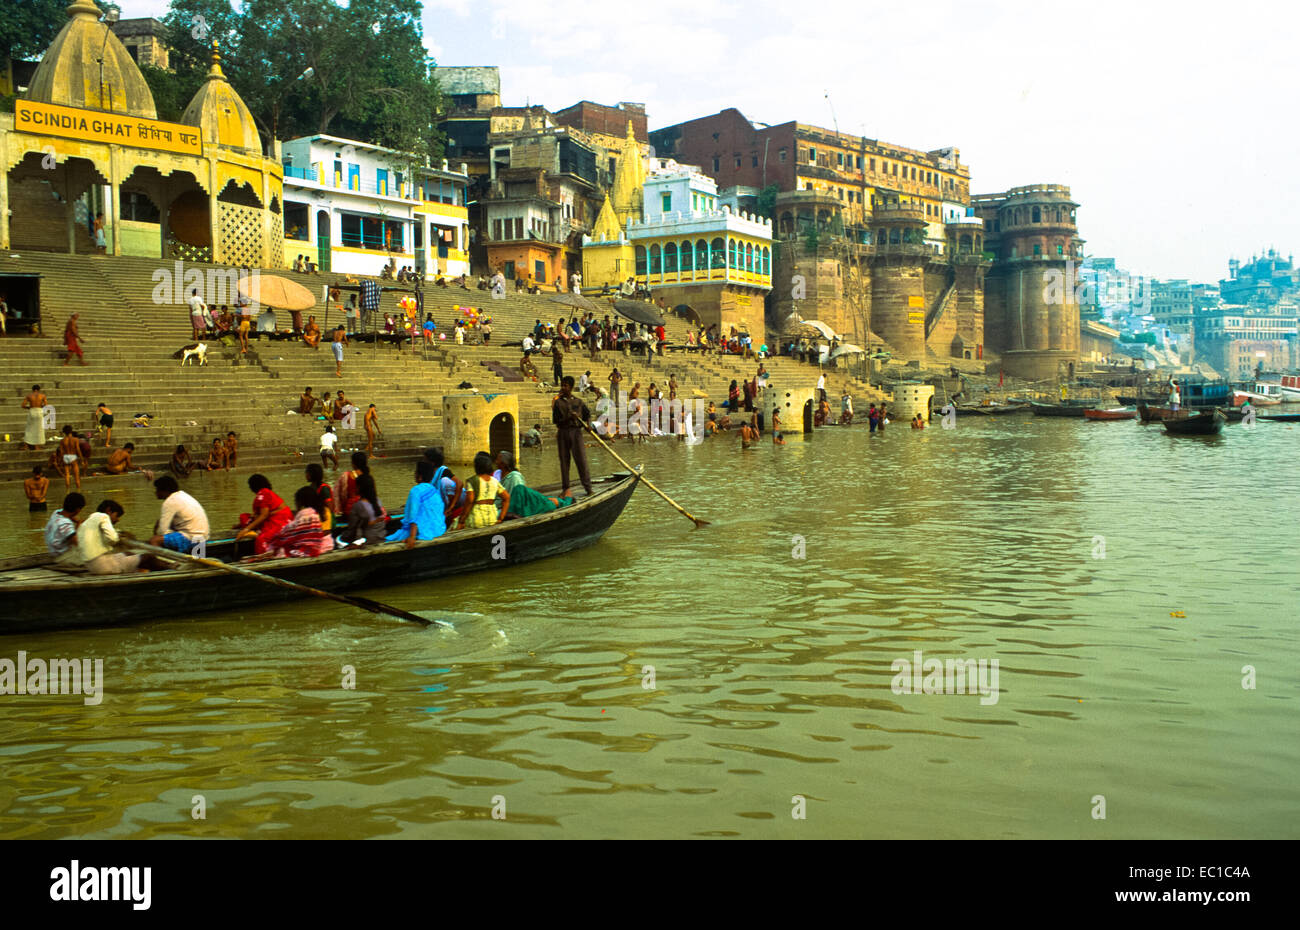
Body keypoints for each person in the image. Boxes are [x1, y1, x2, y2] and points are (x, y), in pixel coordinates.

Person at [255, 486, 335, 559]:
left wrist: (277, 538)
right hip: (327, 544)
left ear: (300, 502)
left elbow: (287, 535)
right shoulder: (316, 512)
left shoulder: (305, 516)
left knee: (280, 547)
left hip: (315, 548)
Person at [387, 460, 447, 547]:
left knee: (390, 539)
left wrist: (412, 536)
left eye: (416, 472)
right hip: (438, 530)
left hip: (423, 533)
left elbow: (413, 516)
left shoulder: (416, 491)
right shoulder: (434, 490)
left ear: (420, 477)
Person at [553, 375, 593, 498]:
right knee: (564, 461)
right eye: (562, 385)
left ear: (570, 387)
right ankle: (566, 489)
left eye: (565, 385)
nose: (563, 388)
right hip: (563, 432)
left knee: (581, 460)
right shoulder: (558, 403)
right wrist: (569, 417)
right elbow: (556, 421)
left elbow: (587, 415)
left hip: (576, 433)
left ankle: (588, 488)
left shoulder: (578, 402)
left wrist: (589, 425)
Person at [78, 500, 145, 574]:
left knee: (129, 553)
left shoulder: (87, 521)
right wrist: (118, 536)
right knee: (148, 557)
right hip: (104, 566)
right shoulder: (103, 516)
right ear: (108, 511)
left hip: (92, 567)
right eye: (117, 516)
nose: (118, 520)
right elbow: (113, 538)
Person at [148, 475, 210, 553]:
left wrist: (162, 532)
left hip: (192, 538)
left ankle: (163, 563)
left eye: (157, 490)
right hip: (203, 536)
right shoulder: (182, 495)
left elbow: (161, 531)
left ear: (164, 491)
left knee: (154, 541)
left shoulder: (170, 501)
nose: (155, 492)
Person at [235, 474, 294, 555]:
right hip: (274, 519)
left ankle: (265, 557)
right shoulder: (264, 493)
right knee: (244, 517)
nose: (249, 488)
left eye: (250, 486)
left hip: (279, 521)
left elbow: (264, 515)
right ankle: (258, 531)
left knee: (261, 539)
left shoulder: (264, 493)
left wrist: (246, 530)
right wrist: (239, 526)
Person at [463, 451, 510, 529]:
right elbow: (507, 498)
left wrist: (462, 520)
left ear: (476, 467)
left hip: (476, 520)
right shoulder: (494, 481)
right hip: (492, 519)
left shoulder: (471, 481)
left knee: (456, 523)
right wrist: (501, 518)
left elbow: (470, 500)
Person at [339, 473, 387, 547]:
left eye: (356, 486)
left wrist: (344, 536)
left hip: (365, 541)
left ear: (360, 488)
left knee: (339, 538)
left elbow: (352, 530)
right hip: (380, 537)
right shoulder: (377, 500)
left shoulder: (358, 506)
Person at [44, 492, 84, 559]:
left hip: (53, 551)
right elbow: (77, 543)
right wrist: (79, 525)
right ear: (78, 509)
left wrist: (77, 521)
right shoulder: (65, 524)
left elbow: (69, 515)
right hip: (61, 556)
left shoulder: (56, 512)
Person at [333, 451, 369, 519]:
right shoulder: (368, 476)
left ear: (353, 464)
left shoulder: (346, 475)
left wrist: (341, 509)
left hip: (350, 511)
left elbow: (338, 494)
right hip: (366, 510)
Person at [305, 463, 336, 532]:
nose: (305, 475)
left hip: (326, 520)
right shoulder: (311, 487)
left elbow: (330, 508)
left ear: (311, 475)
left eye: (307, 473)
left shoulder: (323, 488)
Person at [22, 384, 47, 450]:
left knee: (29, 429)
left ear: (33, 390)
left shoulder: (29, 396)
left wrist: (29, 407)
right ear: (39, 390)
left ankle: (26, 446)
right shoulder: (43, 396)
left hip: (32, 411)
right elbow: (46, 405)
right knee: (38, 430)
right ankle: (37, 446)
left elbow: (23, 405)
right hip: (39, 412)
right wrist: (40, 407)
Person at [57, 425, 82, 489]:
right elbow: (78, 449)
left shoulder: (62, 441)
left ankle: (67, 491)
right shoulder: (75, 439)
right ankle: (78, 491)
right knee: (76, 476)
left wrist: (60, 460)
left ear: (64, 432)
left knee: (67, 475)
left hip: (66, 457)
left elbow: (61, 452)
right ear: (71, 431)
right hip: (73, 456)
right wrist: (82, 459)